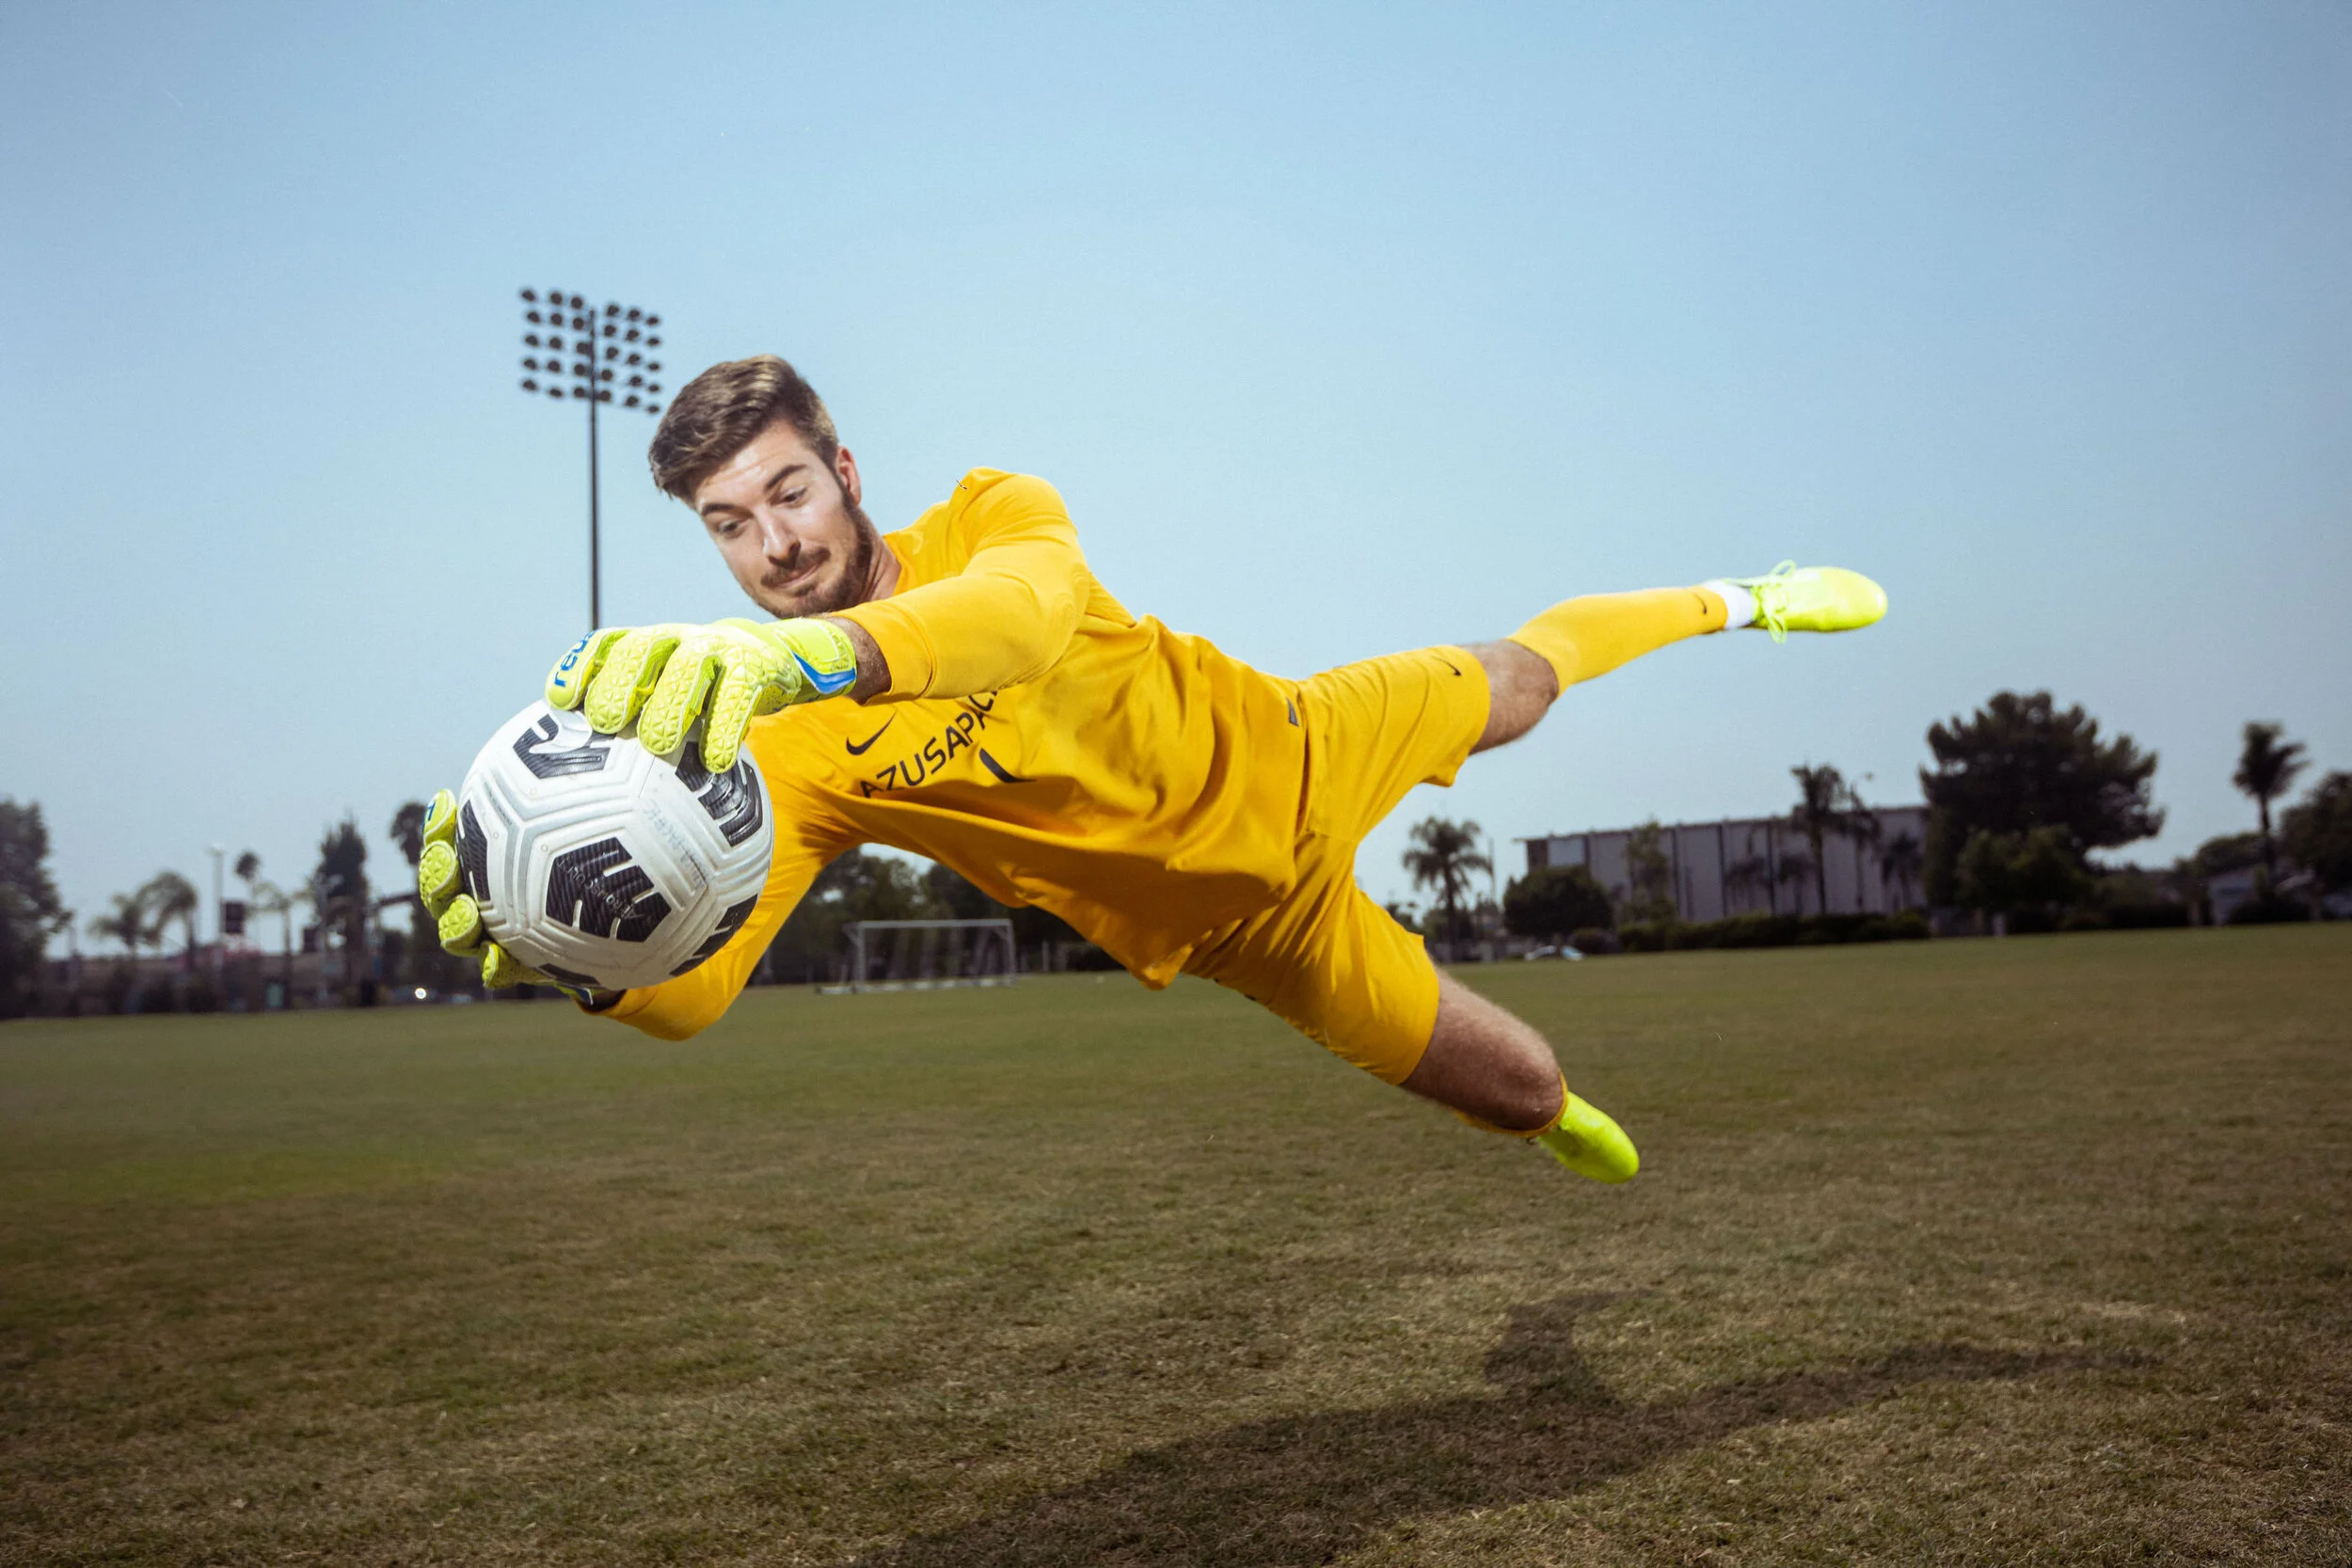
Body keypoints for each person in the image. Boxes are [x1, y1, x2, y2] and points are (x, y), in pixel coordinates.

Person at [418, 355, 1886, 1182]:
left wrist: (815, 658)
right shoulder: (789, 753)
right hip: (1253, 932)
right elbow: (703, 990)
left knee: (1516, 686)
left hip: (1298, 744)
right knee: (1522, 1091)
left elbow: (1023, 616)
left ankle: (1740, 594)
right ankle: (1552, 1106)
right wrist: (581, 959)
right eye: (731, 525)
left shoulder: (995, 515)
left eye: (789, 492)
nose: (775, 544)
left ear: (846, 470)